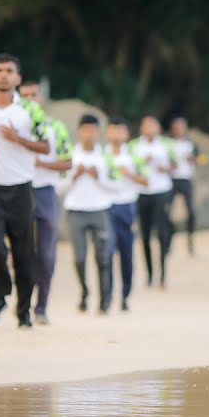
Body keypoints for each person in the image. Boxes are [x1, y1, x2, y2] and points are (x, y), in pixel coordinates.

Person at [0, 55, 49, 329]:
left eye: (9, 71)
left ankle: (24, 310)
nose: (4, 75)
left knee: (24, 253)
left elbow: (45, 147)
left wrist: (18, 139)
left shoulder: (31, 109)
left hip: (21, 188)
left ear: (18, 78)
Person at [63, 114, 115, 313]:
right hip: (76, 210)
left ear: (98, 132)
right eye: (85, 130)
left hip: (100, 209)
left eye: (93, 130)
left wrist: (99, 177)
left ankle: (105, 300)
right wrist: (74, 177)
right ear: (79, 131)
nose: (89, 134)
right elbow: (59, 186)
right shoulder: (70, 154)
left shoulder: (105, 156)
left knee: (103, 257)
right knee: (79, 257)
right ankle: (84, 291)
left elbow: (117, 186)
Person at [29, 107, 73, 324]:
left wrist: (40, 164)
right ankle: (22, 302)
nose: (30, 100)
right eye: (25, 95)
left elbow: (67, 162)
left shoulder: (55, 127)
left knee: (46, 255)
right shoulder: (9, 123)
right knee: (21, 251)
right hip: (18, 190)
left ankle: (41, 306)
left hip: (46, 191)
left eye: (34, 96)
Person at [105, 117, 148, 311]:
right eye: (113, 130)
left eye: (120, 131)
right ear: (108, 133)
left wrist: (129, 174)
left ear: (126, 134)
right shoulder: (101, 154)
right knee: (106, 252)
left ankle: (124, 294)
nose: (116, 135)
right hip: (105, 207)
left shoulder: (133, 155)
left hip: (127, 207)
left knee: (126, 252)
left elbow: (146, 180)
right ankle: (107, 294)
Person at [134, 116, 176, 288]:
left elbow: (174, 165)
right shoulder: (134, 146)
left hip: (162, 190)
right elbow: (129, 167)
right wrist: (142, 164)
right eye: (147, 126)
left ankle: (163, 274)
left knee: (162, 232)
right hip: (142, 193)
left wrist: (164, 168)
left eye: (153, 125)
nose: (150, 128)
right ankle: (150, 274)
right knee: (144, 234)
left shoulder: (166, 144)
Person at [169, 116, 199, 256]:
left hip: (186, 179)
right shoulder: (168, 144)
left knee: (191, 211)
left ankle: (190, 241)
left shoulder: (191, 144)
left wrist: (192, 159)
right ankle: (168, 241)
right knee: (168, 212)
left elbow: (198, 159)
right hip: (171, 180)